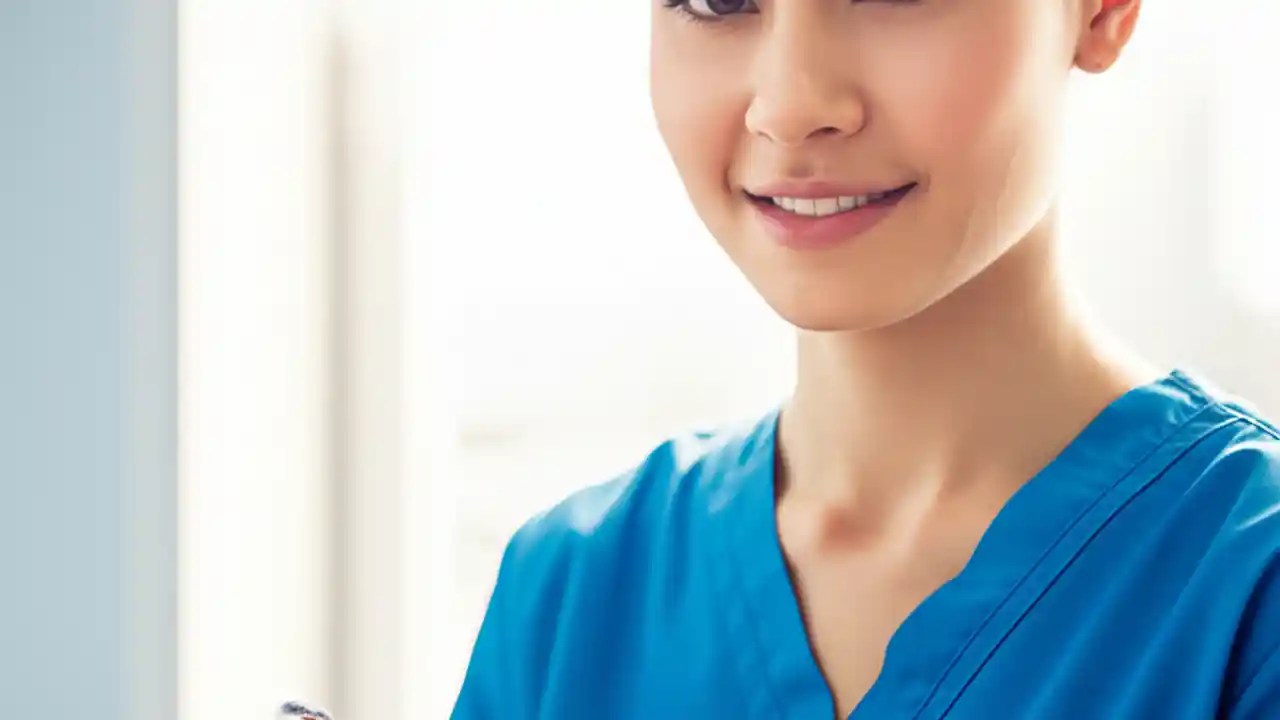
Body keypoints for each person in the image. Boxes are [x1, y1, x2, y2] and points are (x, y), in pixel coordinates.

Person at [452, 0, 1280, 717]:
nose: (789, 106)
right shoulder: (572, 595)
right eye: (718, 0)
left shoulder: (1248, 590)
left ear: (1101, 10)